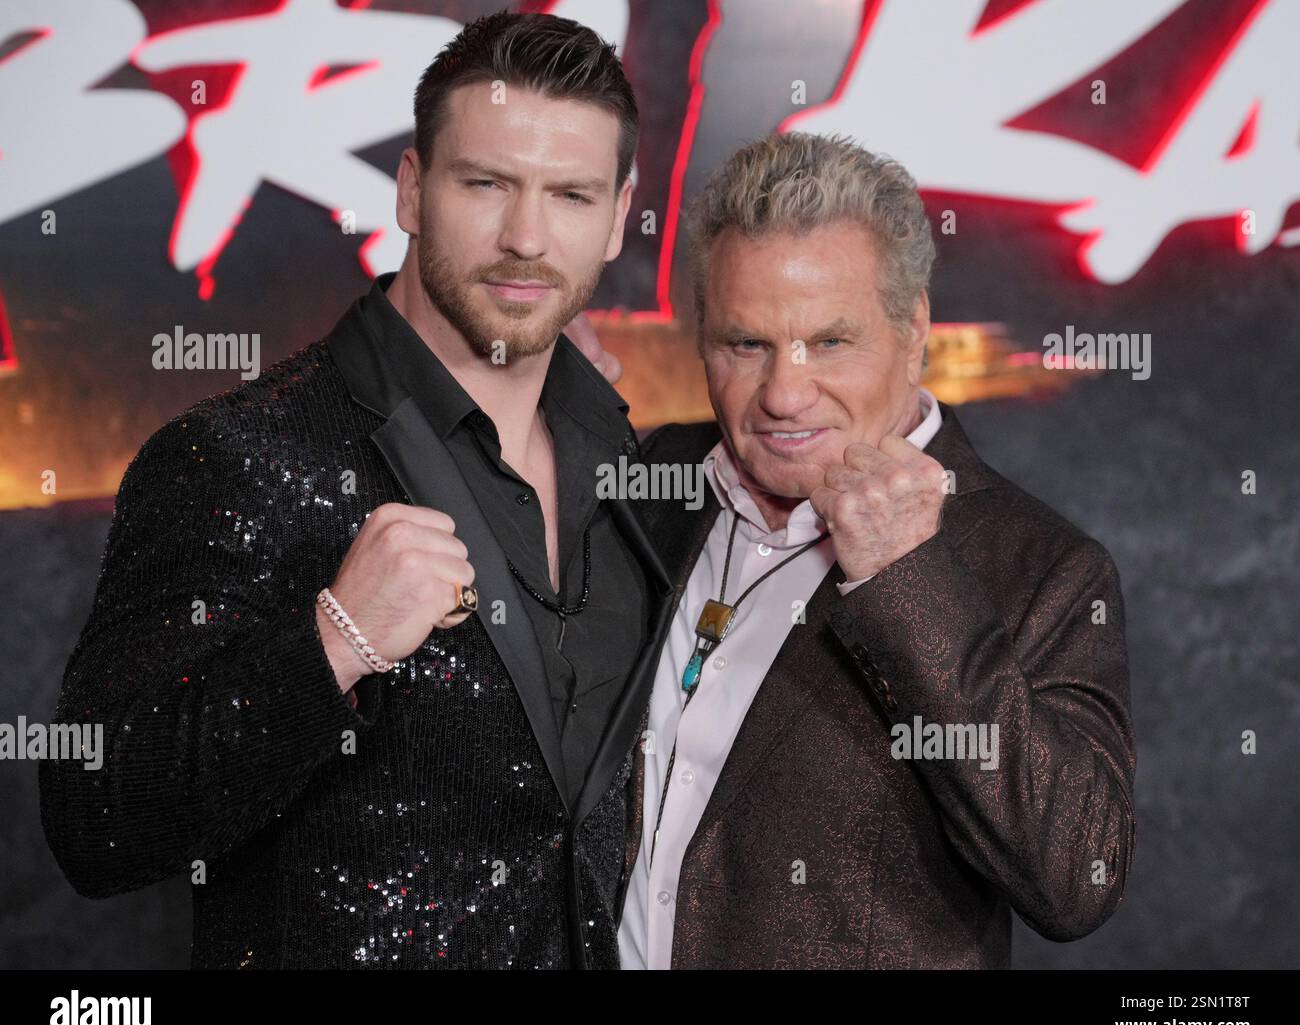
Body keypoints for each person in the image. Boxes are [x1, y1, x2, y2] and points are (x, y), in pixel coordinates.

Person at [40, 10, 674, 970]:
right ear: (413, 190)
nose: (527, 237)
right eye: (487, 184)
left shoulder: (623, 459)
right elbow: (96, 820)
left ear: (619, 215)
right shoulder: (236, 456)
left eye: (572, 195)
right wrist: (335, 641)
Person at [617, 132, 1137, 969]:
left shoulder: (1039, 566)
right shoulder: (653, 481)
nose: (784, 394)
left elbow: (1079, 876)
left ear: (914, 328)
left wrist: (909, 581)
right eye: (745, 344)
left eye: (830, 342)